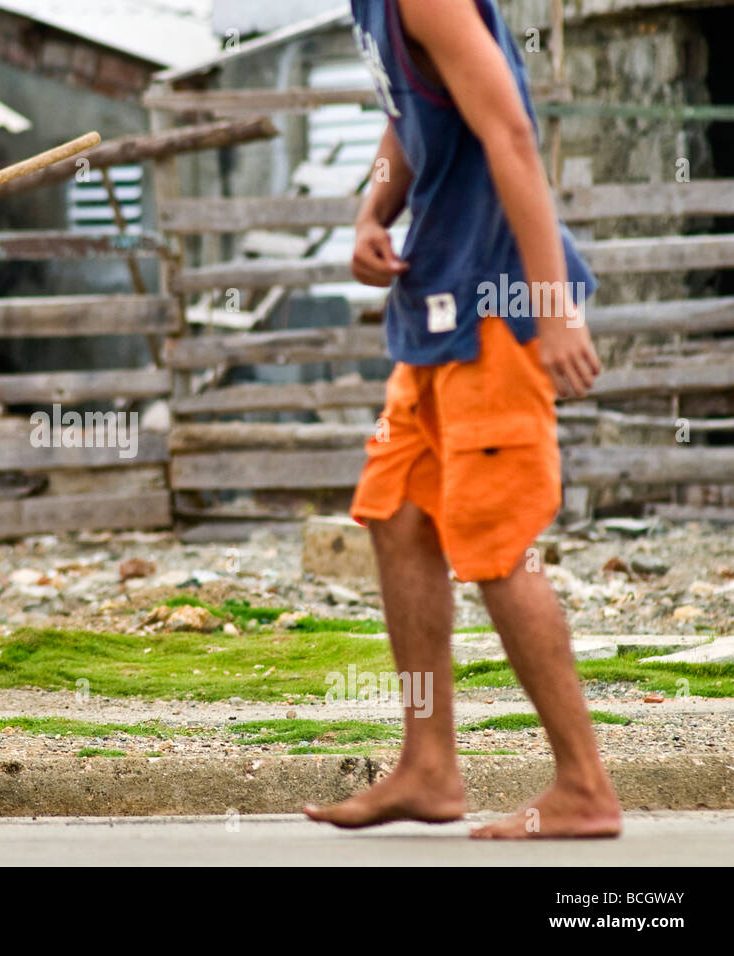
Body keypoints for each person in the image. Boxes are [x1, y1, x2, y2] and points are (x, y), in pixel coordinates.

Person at [301, 0, 622, 837]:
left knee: (495, 542)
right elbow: (406, 123)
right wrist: (372, 212)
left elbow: (510, 133)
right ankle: (429, 765)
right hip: (433, 313)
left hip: (494, 306)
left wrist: (552, 307)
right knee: (398, 516)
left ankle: (584, 787)